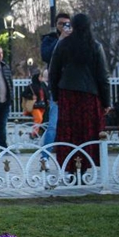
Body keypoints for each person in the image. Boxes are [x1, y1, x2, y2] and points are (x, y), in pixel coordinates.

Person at [49, 13, 110, 177]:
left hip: (68, 95)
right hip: (89, 96)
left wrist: (55, 95)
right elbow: (102, 76)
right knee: (86, 132)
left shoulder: (63, 45)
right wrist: (106, 102)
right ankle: (83, 165)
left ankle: (71, 164)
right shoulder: (95, 46)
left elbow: (53, 73)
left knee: (70, 132)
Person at [40, 12, 71, 149]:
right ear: (56, 25)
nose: (64, 26)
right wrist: (61, 39)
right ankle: (45, 155)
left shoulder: (75, 39)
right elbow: (46, 56)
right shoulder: (50, 40)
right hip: (57, 85)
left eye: (67, 24)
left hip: (73, 84)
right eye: (61, 24)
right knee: (53, 123)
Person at [21, 71, 49, 139]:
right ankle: (34, 133)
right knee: (39, 118)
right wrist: (31, 97)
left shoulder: (42, 86)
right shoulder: (31, 86)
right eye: (40, 77)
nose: (41, 78)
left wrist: (47, 101)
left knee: (39, 120)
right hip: (34, 106)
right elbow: (23, 94)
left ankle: (36, 132)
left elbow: (45, 94)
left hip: (42, 106)